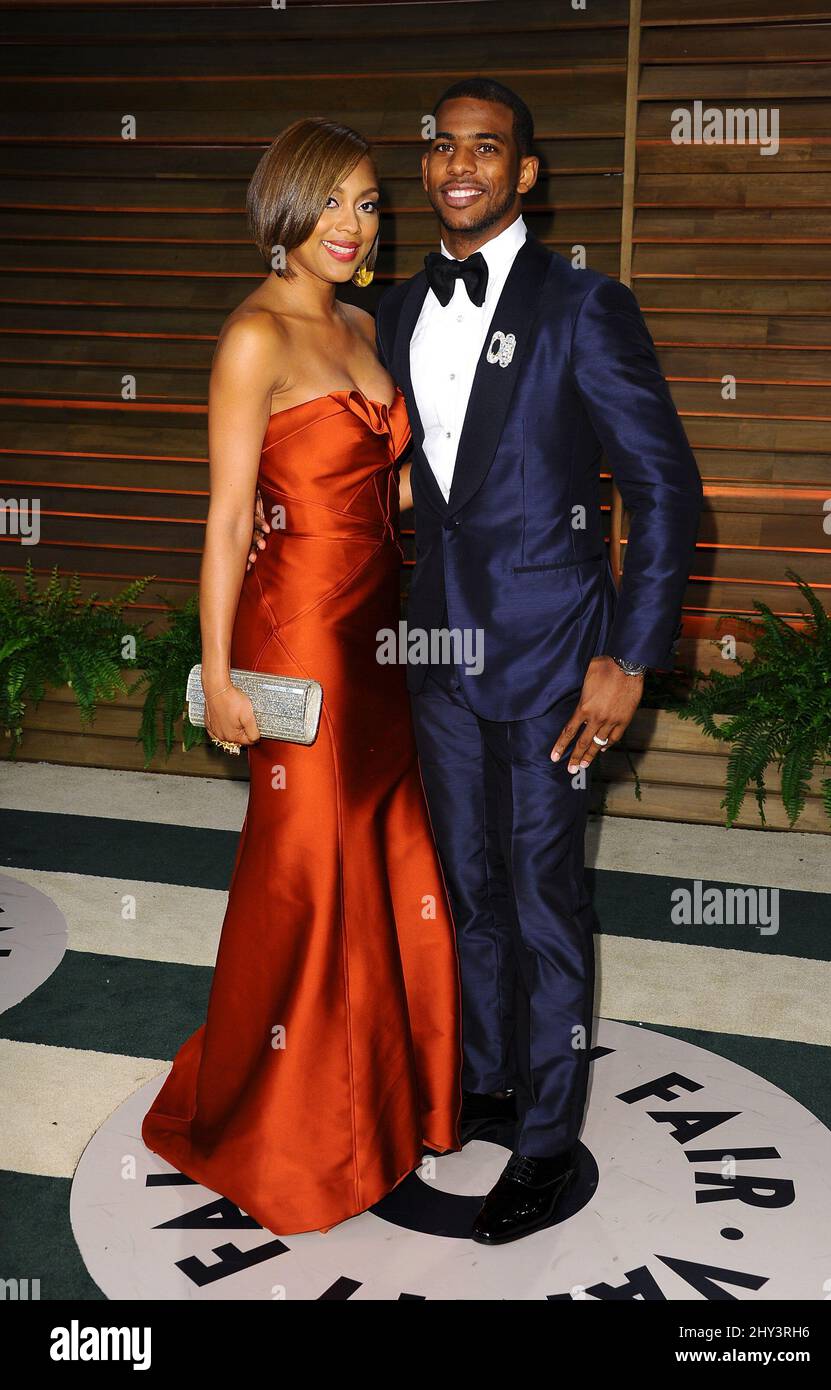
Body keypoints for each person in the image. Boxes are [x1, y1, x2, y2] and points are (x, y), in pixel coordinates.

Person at [251, 79, 703, 1246]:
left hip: (560, 657)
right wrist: (274, 519)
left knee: (544, 892)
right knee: (463, 886)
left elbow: (664, 490)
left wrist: (628, 656)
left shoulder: (585, 305)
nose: (459, 164)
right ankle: (490, 1078)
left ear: (524, 173)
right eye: (443, 146)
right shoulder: (386, 313)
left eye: (486, 147)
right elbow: (345, 452)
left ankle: (546, 1142)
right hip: (432, 650)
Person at [141, 117, 462, 1238]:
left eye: (369, 203)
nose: (351, 224)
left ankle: (387, 1106)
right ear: (283, 205)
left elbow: (386, 497)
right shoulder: (253, 339)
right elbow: (229, 519)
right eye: (330, 201)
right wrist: (218, 670)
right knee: (317, 879)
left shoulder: (365, 322)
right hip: (298, 641)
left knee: (384, 863)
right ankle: (296, 1132)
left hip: (378, 637)